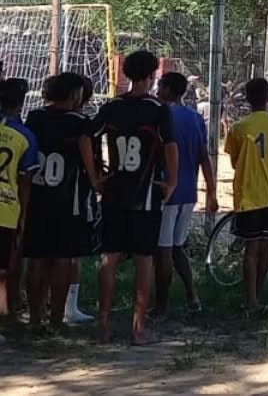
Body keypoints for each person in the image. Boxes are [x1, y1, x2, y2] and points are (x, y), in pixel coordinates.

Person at [93, 50, 178, 344]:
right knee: (144, 259)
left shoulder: (111, 107)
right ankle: (138, 327)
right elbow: (170, 147)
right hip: (145, 195)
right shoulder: (158, 109)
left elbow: (86, 135)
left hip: (115, 191)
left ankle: (103, 324)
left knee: (110, 256)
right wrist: (172, 182)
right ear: (152, 74)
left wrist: (96, 175)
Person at [23, 74, 99, 331]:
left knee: (37, 258)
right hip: (69, 201)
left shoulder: (34, 117)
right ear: (74, 94)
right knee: (63, 259)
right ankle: (56, 319)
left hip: (37, 196)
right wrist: (98, 180)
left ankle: (35, 317)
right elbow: (89, 163)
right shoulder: (80, 122)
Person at [225, 77, 268, 309]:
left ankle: (251, 299)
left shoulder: (238, 128)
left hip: (248, 195)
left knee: (251, 249)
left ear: (246, 98)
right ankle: (261, 295)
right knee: (266, 247)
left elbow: (235, 162)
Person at [153, 72, 218, 316]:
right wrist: (211, 191)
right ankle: (192, 296)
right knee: (177, 245)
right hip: (189, 191)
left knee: (164, 249)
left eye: (160, 86)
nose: (157, 90)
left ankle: (160, 306)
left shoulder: (162, 115)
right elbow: (204, 157)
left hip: (167, 189)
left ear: (168, 89)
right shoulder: (194, 117)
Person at [0, 78, 37, 327]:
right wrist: (24, 215)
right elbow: (25, 180)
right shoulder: (25, 136)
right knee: (3, 269)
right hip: (6, 209)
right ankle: (6, 314)